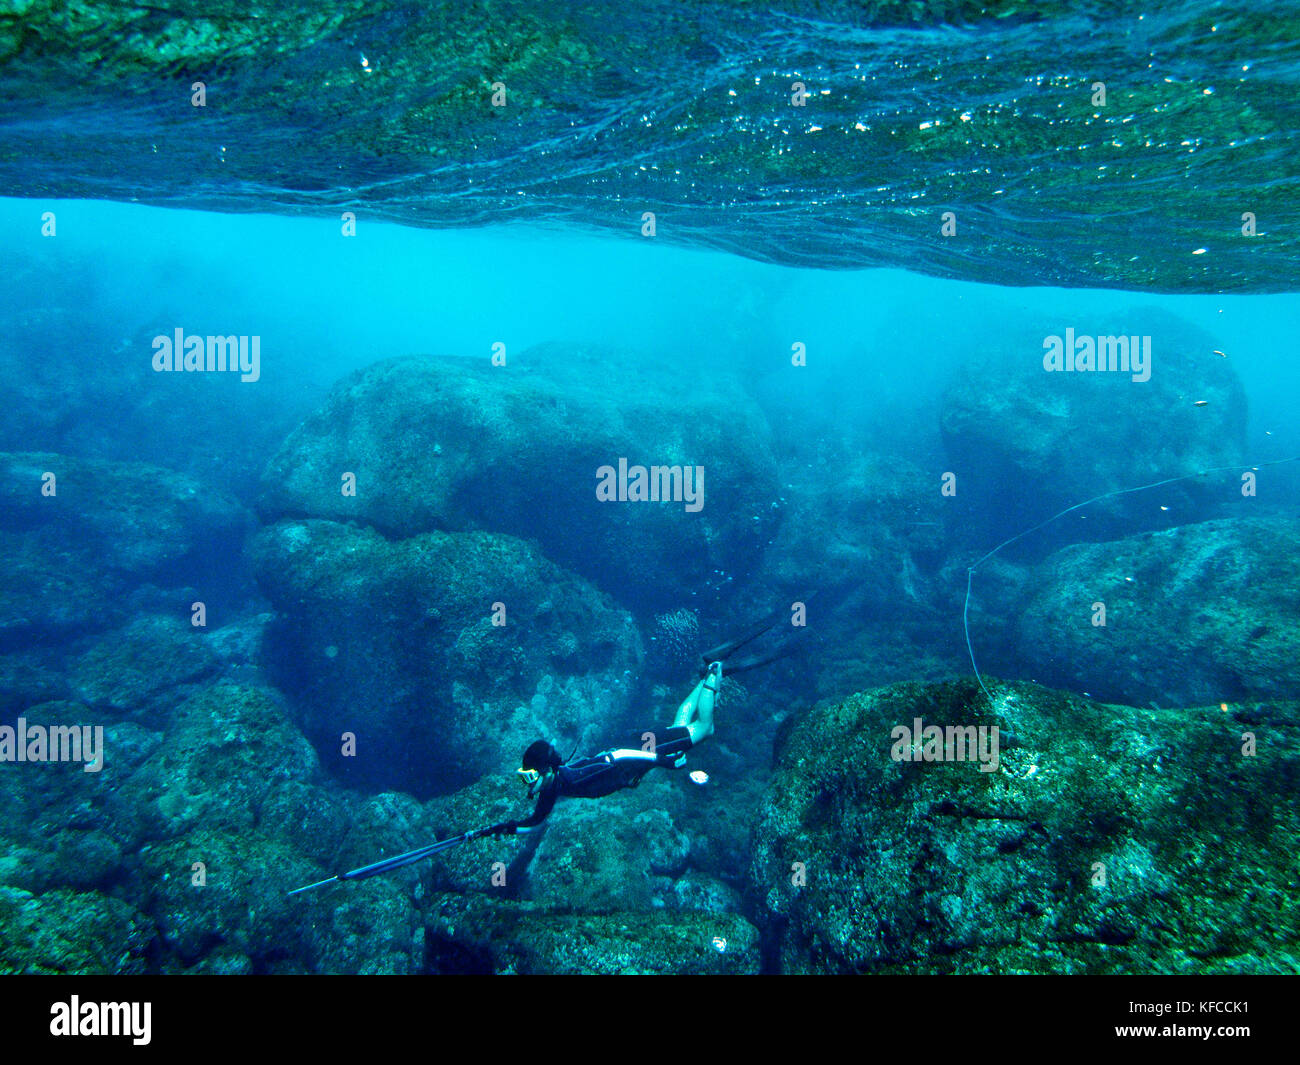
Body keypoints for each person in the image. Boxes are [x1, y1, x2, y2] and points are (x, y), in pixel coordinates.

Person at [490, 660, 724, 836]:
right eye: (524, 777)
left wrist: (662, 760)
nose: (528, 783)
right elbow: (536, 822)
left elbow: (617, 756)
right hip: (638, 752)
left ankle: (713, 673)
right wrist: (507, 828)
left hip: (638, 748)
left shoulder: (571, 777)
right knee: (681, 729)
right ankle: (705, 680)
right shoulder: (552, 788)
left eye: (530, 776)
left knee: (703, 727)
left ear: (547, 770)